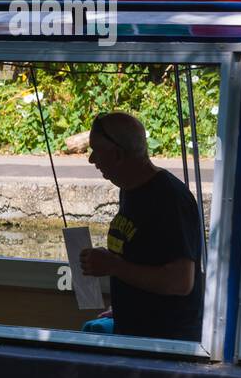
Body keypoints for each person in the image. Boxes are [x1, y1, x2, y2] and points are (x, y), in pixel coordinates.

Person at [78, 111, 204, 342]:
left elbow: (181, 282)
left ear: (117, 155)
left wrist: (113, 266)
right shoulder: (129, 188)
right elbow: (141, 256)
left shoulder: (170, 199)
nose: (91, 159)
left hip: (165, 341)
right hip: (134, 332)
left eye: (96, 150)